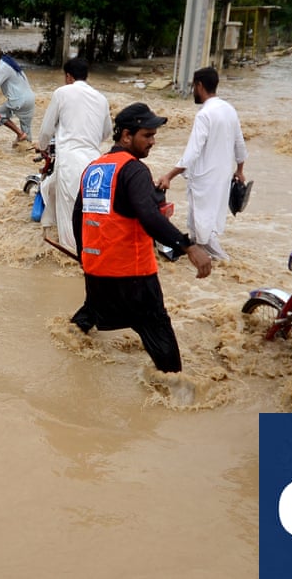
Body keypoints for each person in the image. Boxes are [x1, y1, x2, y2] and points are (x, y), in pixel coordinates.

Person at [70, 103, 213, 397]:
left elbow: (77, 215)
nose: (152, 141)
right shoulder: (134, 170)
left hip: (97, 270)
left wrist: (85, 257)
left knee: (92, 311)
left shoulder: (94, 167)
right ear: (126, 135)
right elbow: (149, 217)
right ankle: (178, 394)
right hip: (132, 275)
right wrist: (188, 246)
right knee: (159, 336)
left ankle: (70, 342)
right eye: (147, 135)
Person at [157, 67, 248, 260]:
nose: (192, 92)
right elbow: (239, 143)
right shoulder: (229, 109)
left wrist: (169, 176)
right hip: (222, 177)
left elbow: (192, 153)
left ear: (199, 85)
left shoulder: (204, 115)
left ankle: (223, 262)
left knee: (203, 231)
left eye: (193, 87)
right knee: (204, 225)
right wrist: (239, 170)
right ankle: (201, 262)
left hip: (204, 179)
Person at [35, 57, 112, 252]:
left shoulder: (62, 93)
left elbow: (46, 130)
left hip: (69, 160)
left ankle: (72, 254)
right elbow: (106, 132)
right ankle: (93, 248)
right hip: (95, 162)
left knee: (69, 211)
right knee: (91, 211)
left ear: (68, 77)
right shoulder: (101, 98)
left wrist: (42, 145)